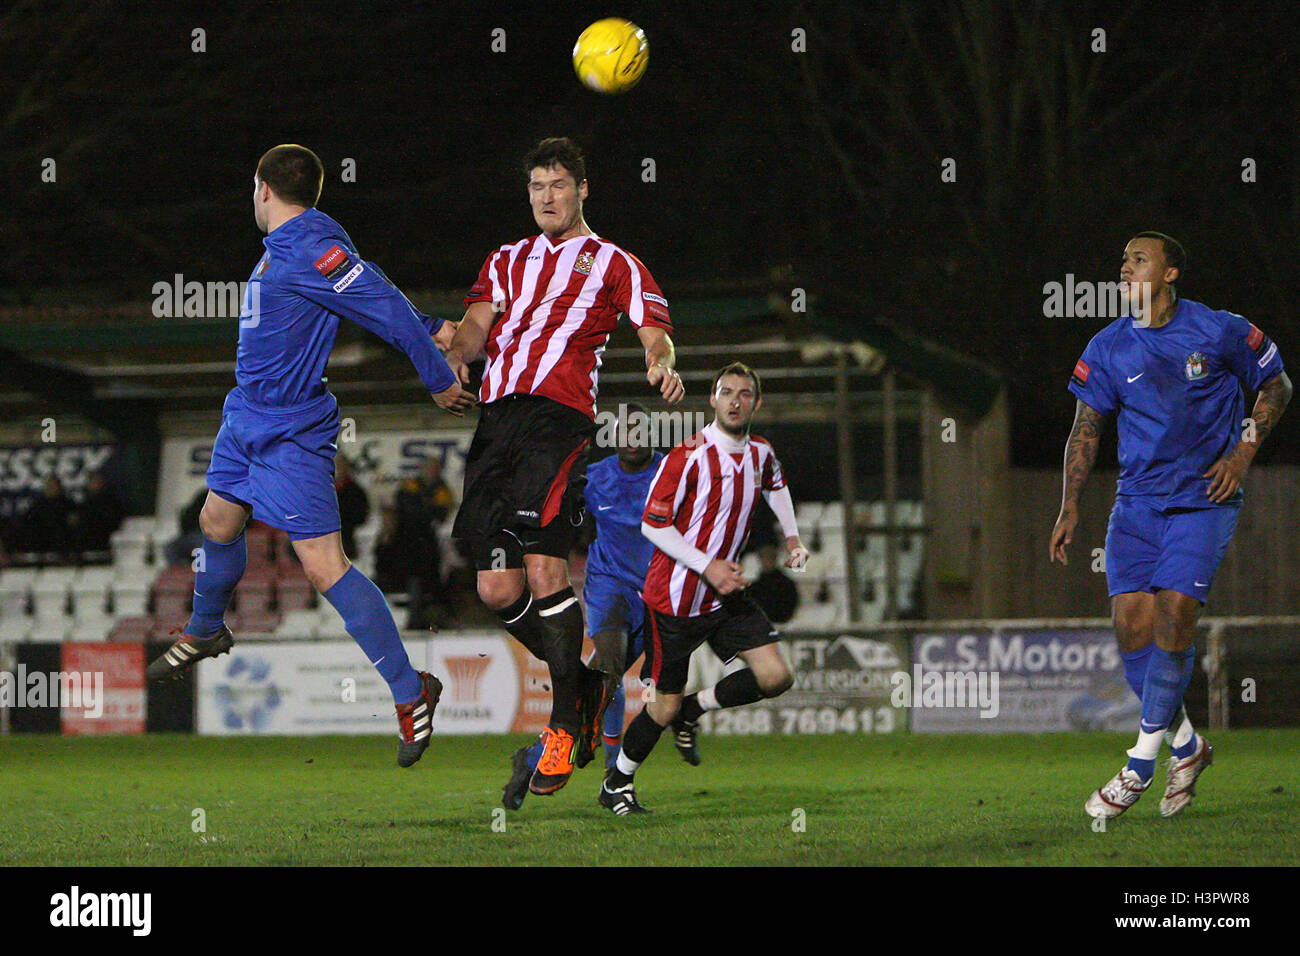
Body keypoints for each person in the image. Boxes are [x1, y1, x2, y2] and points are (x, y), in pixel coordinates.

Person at [145, 144, 477, 769]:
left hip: (290, 428)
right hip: (244, 414)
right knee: (217, 522)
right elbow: (367, 287)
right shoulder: (303, 243)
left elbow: (373, 301)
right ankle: (207, 627)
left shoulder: (305, 248)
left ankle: (412, 693)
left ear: (261, 187)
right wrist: (433, 322)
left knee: (324, 566)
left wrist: (435, 372)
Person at [444, 137, 685, 798]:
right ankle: (581, 690)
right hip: (497, 423)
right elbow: (474, 330)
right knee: (496, 587)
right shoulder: (505, 260)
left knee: (546, 565)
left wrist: (660, 360)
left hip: (557, 421)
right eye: (537, 187)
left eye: (557, 185)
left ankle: (558, 726)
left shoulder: (613, 262)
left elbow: (652, 327)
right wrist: (452, 350)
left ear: (583, 189)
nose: (546, 198)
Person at [1049, 232, 1291, 819]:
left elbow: (1276, 386)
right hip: (1136, 504)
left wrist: (1241, 454)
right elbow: (1086, 429)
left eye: (1138, 259)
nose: (1124, 267)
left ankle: (1139, 763)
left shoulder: (1220, 329)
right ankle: (1189, 746)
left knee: (1175, 610)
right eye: (1123, 259)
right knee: (1132, 627)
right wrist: (1069, 504)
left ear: (1172, 272)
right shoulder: (1108, 345)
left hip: (1204, 497)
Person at [598, 363, 809, 815]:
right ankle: (618, 781)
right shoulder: (689, 453)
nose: (736, 400)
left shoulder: (761, 453)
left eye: (745, 393)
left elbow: (776, 486)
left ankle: (697, 707)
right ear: (712, 400)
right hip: (673, 602)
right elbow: (653, 525)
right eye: (727, 392)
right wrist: (707, 566)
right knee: (661, 708)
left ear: (756, 402)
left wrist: (791, 536)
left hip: (724, 596)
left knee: (776, 677)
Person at [502, 403, 672, 810]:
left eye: (639, 428)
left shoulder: (672, 473)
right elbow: (559, 515)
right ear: (612, 438)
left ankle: (532, 757)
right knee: (608, 667)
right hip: (609, 590)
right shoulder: (594, 478)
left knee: (636, 690)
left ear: (651, 434)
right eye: (623, 430)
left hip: (659, 594)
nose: (631, 436)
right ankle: (615, 779)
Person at [333, 455, 370, 560]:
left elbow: (361, 516)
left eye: (340, 466)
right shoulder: (325, 489)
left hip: (346, 539)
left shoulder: (355, 491)